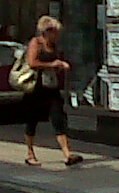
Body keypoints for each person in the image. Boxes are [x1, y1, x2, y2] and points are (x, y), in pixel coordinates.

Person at [21, 15, 82, 168]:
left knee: (58, 117)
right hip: (36, 87)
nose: (57, 35)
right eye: (55, 32)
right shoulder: (36, 43)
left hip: (51, 86)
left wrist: (59, 66)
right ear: (46, 31)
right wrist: (52, 64)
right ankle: (30, 153)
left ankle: (67, 154)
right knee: (32, 120)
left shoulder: (53, 46)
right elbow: (32, 62)